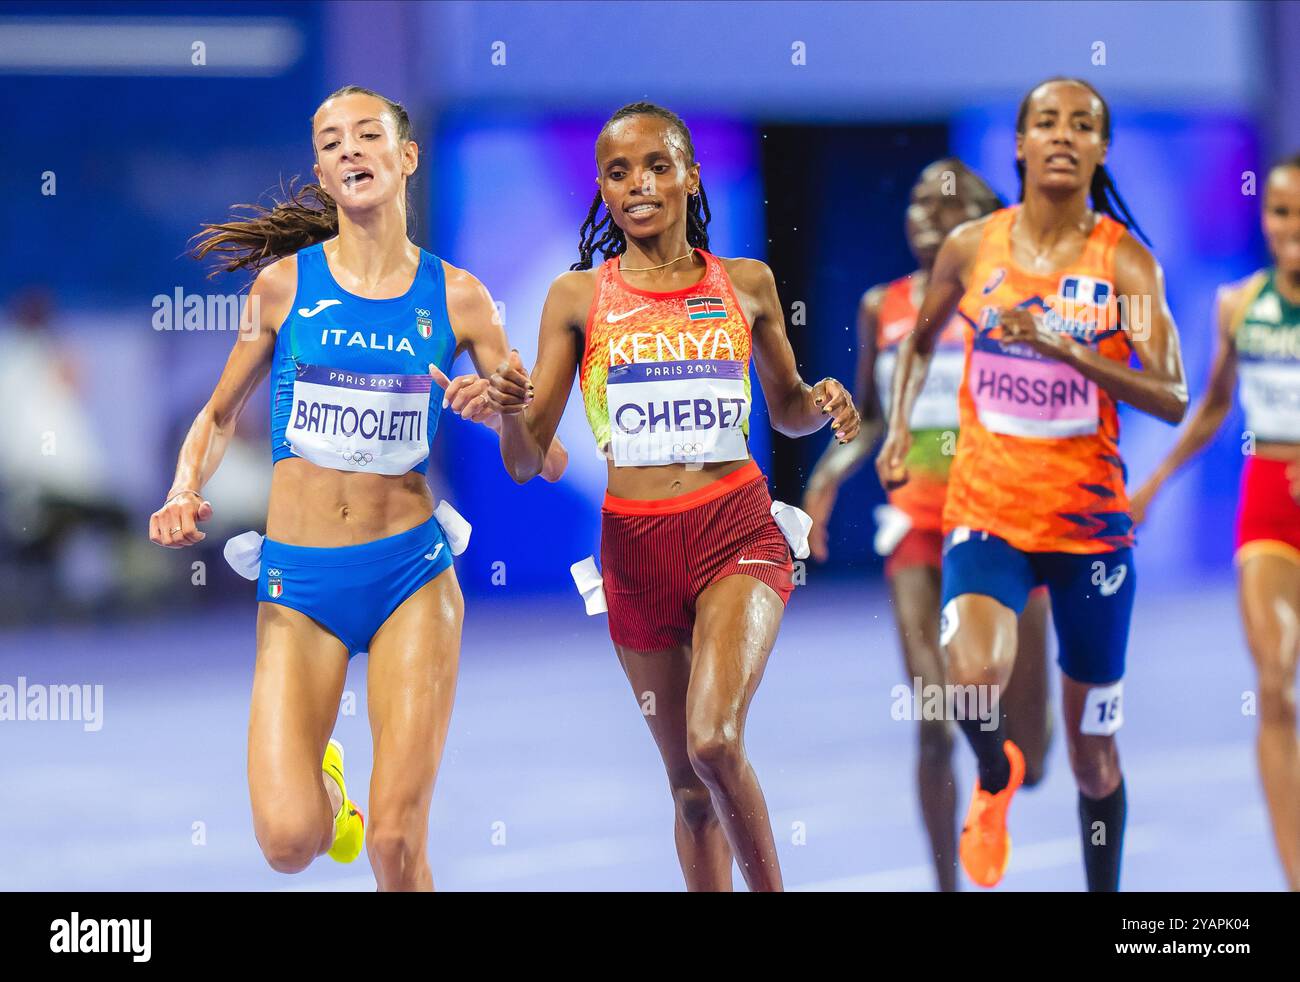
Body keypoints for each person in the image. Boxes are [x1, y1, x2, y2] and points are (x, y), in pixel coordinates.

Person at [149, 85, 564, 891]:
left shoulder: (460, 296)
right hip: (300, 581)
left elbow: (537, 461)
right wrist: (180, 488)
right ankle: (329, 788)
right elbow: (218, 414)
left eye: (367, 135)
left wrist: (504, 408)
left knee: (397, 845)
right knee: (289, 842)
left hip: (410, 574)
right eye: (331, 140)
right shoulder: (281, 288)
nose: (349, 149)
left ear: (405, 158)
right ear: (321, 170)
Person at [472, 101, 859, 891]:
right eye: (618, 172)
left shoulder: (744, 284)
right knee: (688, 794)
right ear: (602, 189)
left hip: (735, 531)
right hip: (636, 550)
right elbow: (524, 460)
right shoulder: (576, 298)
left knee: (714, 742)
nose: (638, 184)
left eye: (655, 165)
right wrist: (510, 408)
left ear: (689, 174)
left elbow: (783, 412)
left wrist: (819, 399)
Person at [877, 77, 1189, 890]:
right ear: (1018, 144)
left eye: (1081, 124)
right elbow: (918, 340)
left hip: (1090, 535)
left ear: (1099, 149)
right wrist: (903, 424)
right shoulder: (974, 246)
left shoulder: (1126, 264)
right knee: (968, 677)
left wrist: (1068, 348)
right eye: (1045, 122)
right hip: (988, 515)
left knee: (1092, 757)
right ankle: (992, 776)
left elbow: (1170, 391)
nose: (1062, 135)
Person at [802, 159, 1053, 891]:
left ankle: (1001, 776)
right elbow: (875, 416)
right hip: (916, 530)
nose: (924, 216)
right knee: (936, 715)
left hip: (1008, 527)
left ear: (985, 219)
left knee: (1028, 758)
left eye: (944, 206)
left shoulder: (1015, 300)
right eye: (915, 203)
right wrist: (823, 478)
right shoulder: (885, 304)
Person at [1132, 153, 1300, 889]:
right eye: (1280, 211)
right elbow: (1212, 408)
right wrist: (1158, 481)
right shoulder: (1237, 304)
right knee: (1274, 681)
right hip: (1270, 500)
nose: (1291, 227)